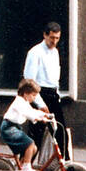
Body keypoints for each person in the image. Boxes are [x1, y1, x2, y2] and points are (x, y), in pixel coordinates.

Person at [23, 21, 70, 157]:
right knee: (36, 136)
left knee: (61, 134)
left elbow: (55, 78)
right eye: (52, 38)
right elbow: (30, 80)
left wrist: (57, 95)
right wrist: (40, 104)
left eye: (57, 38)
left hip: (53, 95)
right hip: (39, 94)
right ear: (45, 35)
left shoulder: (55, 52)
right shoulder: (35, 52)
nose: (54, 41)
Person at [0, 78, 52, 171]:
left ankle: (21, 165)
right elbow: (27, 113)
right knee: (30, 144)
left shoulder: (24, 102)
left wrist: (44, 115)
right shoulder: (19, 102)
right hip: (9, 128)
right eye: (33, 95)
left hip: (15, 127)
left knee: (34, 148)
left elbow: (31, 111)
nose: (34, 98)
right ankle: (26, 167)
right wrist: (38, 118)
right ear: (25, 93)